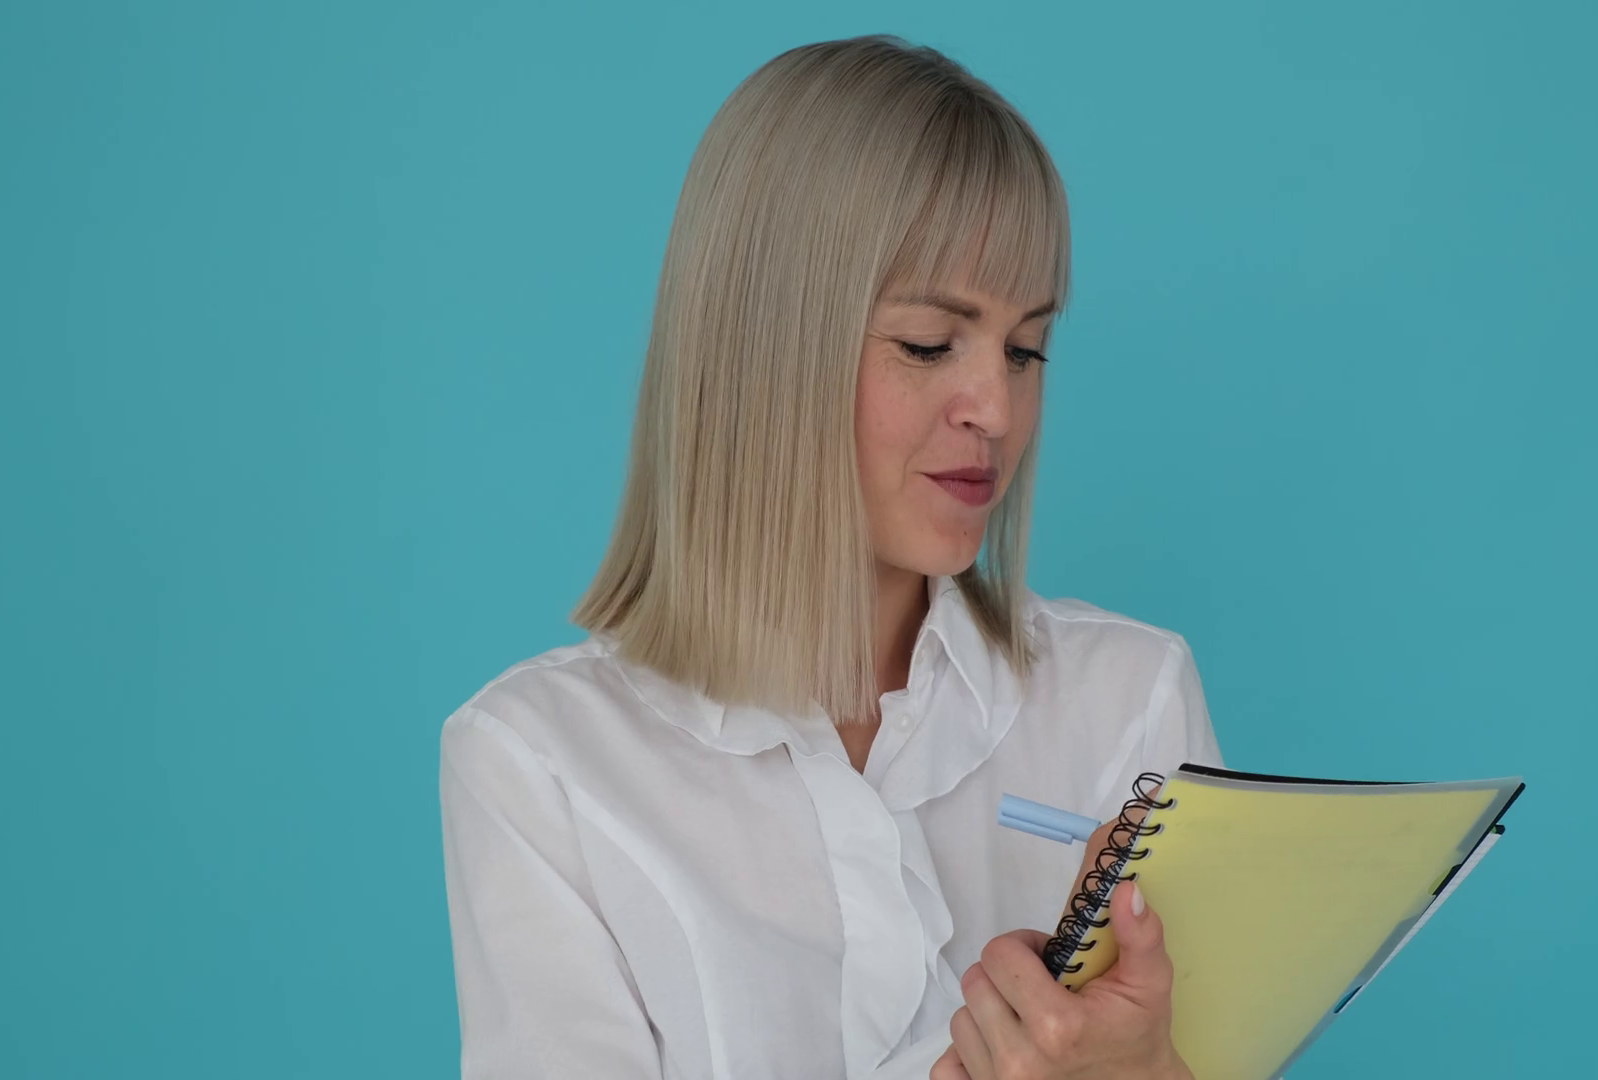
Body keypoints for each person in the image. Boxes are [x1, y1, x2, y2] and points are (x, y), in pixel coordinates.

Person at [437, 33, 1223, 1080]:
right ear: (769, 344)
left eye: (1026, 348)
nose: (995, 407)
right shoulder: (541, 768)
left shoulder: (1133, 702)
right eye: (930, 343)